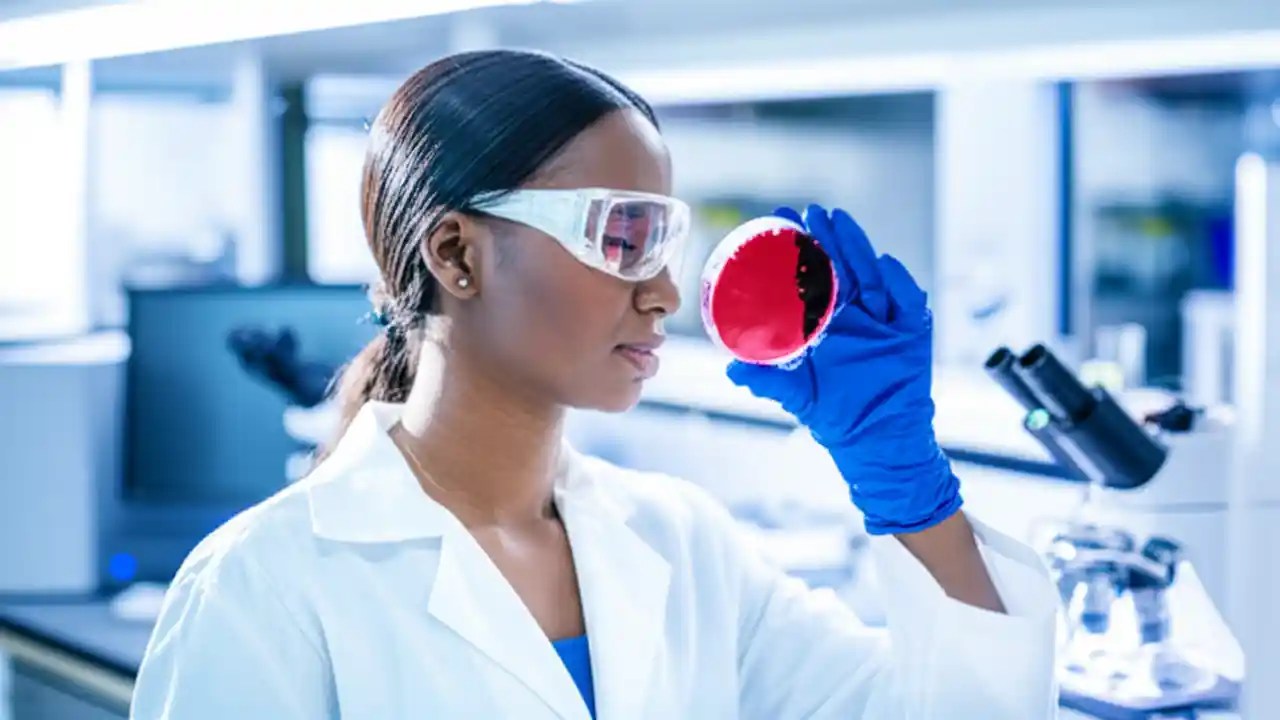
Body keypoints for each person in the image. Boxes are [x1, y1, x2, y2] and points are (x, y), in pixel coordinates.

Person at [130, 49, 1059, 719]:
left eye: (665, 242)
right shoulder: (262, 587)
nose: (660, 294)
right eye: (621, 237)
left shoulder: (681, 544)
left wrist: (907, 485)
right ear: (456, 251)